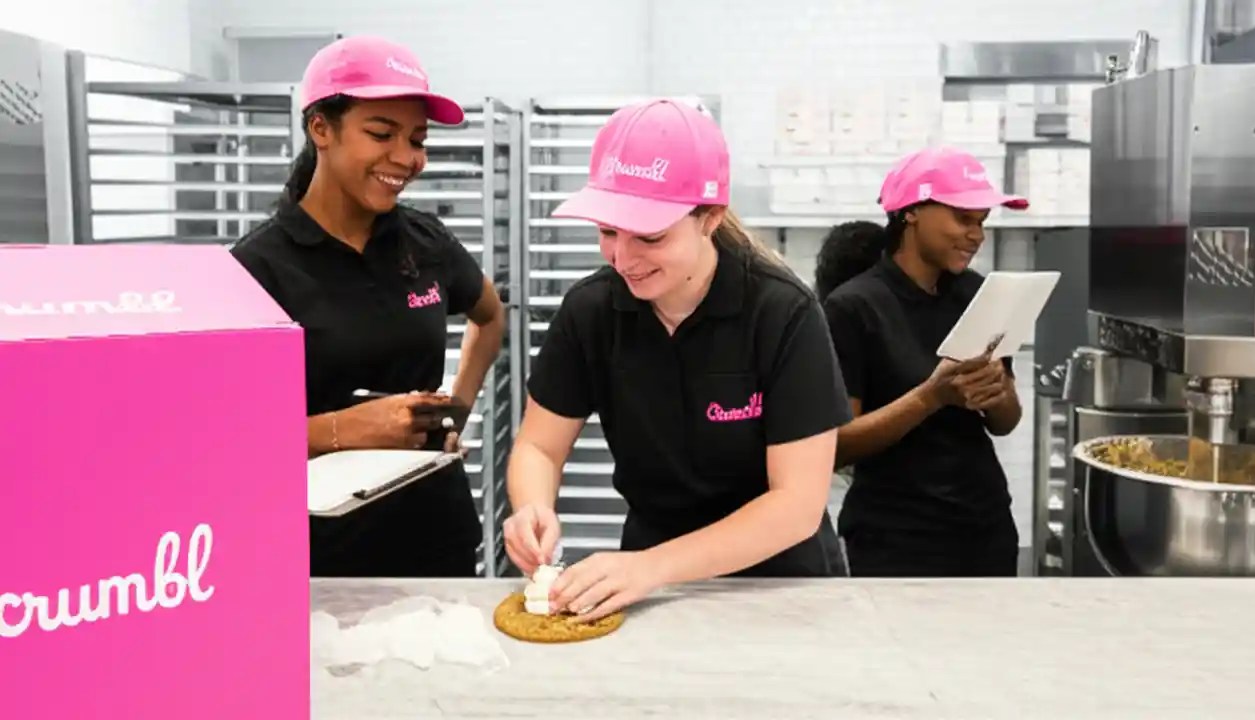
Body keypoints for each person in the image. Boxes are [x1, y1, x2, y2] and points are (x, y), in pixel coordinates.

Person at [503, 98, 852, 622]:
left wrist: (651, 567)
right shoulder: (591, 312)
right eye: (607, 232)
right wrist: (532, 506)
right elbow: (538, 445)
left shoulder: (782, 313)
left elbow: (796, 506)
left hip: (777, 584)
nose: (623, 258)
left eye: (650, 237)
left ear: (709, 218)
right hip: (649, 590)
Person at [230, 36, 505, 578]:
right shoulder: (257, 269)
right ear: (321, 128)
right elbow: (229, 437)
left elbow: (490, 317)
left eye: (417, 138)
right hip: (320, 550)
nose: (406, 158)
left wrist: (457, 408)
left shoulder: (426, 243)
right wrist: (346, 428)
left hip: (434, 533)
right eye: (381, 133)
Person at [816, 146, 1028, 578]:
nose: (977, 235)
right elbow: (836, 445)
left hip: (986, 526)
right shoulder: (854, 307)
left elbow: (1004, 421)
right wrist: (932, 397)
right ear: (912, 212)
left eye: (982, 223)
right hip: (897, 538)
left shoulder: (976, 294)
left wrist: (999, 392)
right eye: (964, 219)